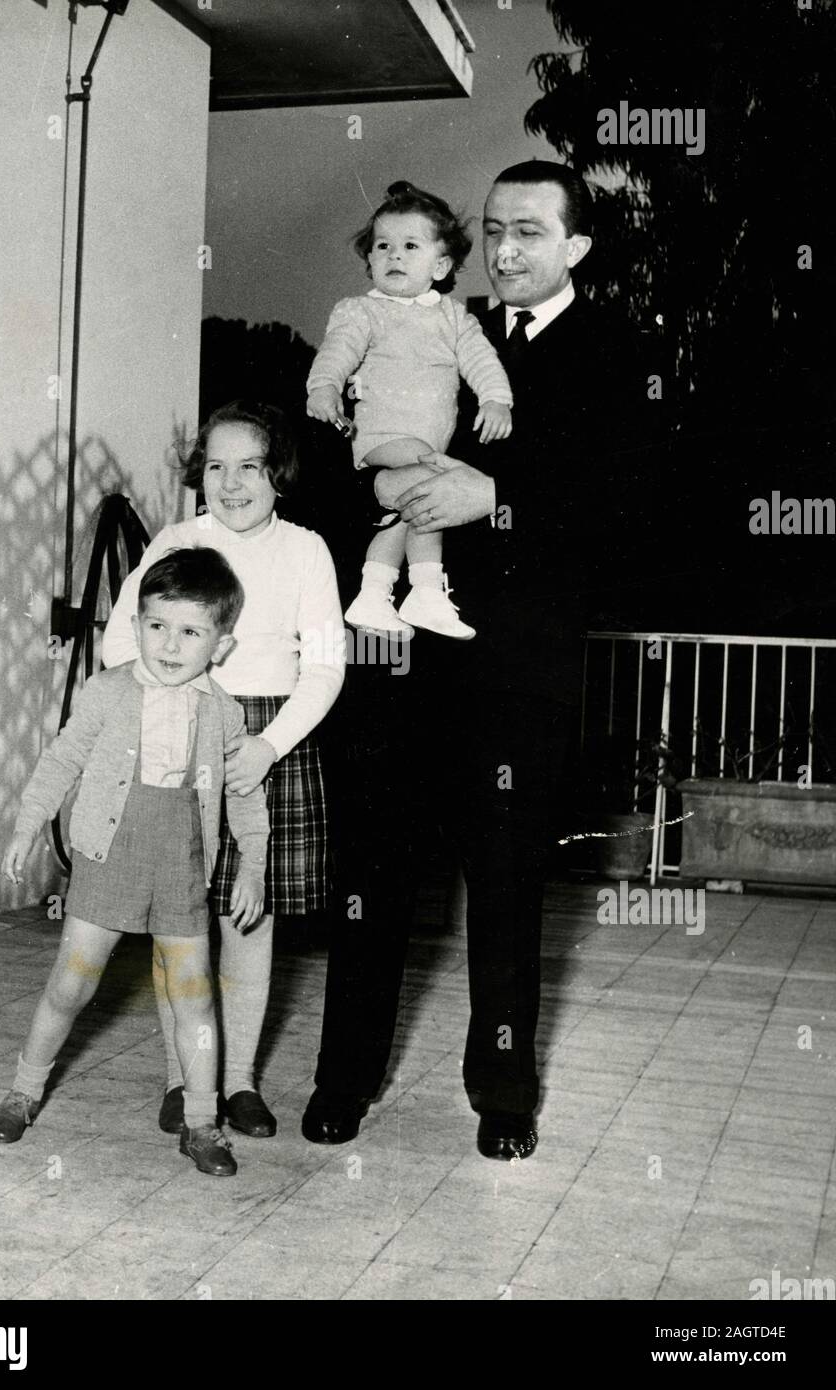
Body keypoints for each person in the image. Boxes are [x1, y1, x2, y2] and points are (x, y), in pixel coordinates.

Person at [304, 160, 661, 1160]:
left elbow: (633, 518)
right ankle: (343, 1079)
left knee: (505, 887)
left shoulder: (618, 350)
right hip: (403, 663)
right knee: (370, 877)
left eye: (530, 234)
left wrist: (492, 500)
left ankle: (503, 1095)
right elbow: (345, 457)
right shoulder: (425, 319)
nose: (505, 251)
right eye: (494, 231)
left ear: (576, 246)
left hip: (517, 674)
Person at [103, 400, 345, 1143]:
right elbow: (120, 646)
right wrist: (184, 713)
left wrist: (268, 745)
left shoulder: (306, 550)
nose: (231, 483)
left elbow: (327, 666)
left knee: (250, 916)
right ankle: (184, 1077)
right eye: (215, 466)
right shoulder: (177, 539)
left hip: (269, 739)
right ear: (197, 473)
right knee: (180, 916)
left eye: (250, 467)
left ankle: (238, 1080)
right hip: (182, 735)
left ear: (279, 475)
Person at [0, 548, 270, 1177]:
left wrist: (254, 863)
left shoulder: (224, 712)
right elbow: (62, 759)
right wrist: (27, 824)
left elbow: (245, 793)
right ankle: (24, 1091)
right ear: (136, 624)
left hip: (180, 862)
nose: (170, 644)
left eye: (191, 631)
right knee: (72, 982)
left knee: (195, 995)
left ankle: (202, 1121)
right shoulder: (108, 691)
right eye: (156, 625)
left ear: (220, 646)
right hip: (109, 853)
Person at [306, 180, 512, 640]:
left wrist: (496, 399)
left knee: (408, 507)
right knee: (431, 490)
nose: (394, 256)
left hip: (427, 444)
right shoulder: (362, 312)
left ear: (440, 265)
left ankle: (374, 595)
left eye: (409, 246)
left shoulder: (455, 317)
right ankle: (425, 590)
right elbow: (336, 352)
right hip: (382, 436)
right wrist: (323, 388)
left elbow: (481, 360)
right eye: (383, 247)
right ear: (370, 262)